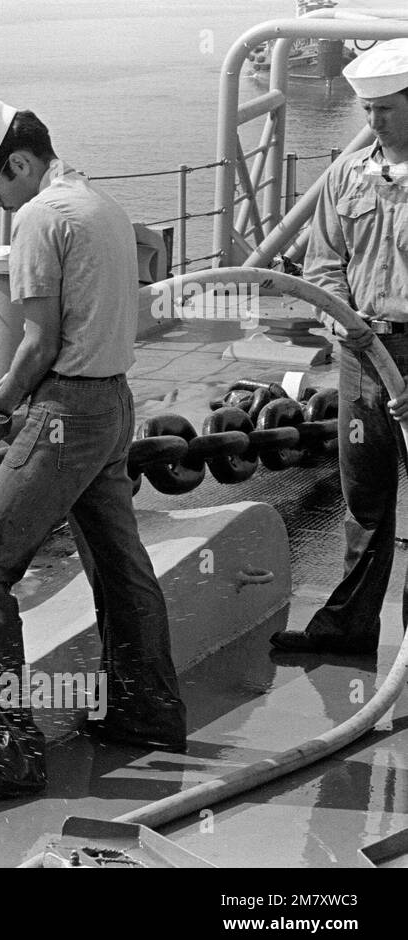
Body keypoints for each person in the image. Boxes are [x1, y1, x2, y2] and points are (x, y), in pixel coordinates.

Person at [0, 98, 186, 803]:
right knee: (119, 564)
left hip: (65, 412)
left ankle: (10, 744)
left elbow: (38, 342)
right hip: (113, 402)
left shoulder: (42, 219)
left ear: (19, 164)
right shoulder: (100, 203)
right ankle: (149, 712)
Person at [272, 40, 408, 657]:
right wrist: (342, 318)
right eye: (368, 109)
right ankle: (349, 630)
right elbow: (325, 262)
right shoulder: (347, 177)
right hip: (362, 357)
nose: (373, 121)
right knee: (366, 501)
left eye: (386, 108)